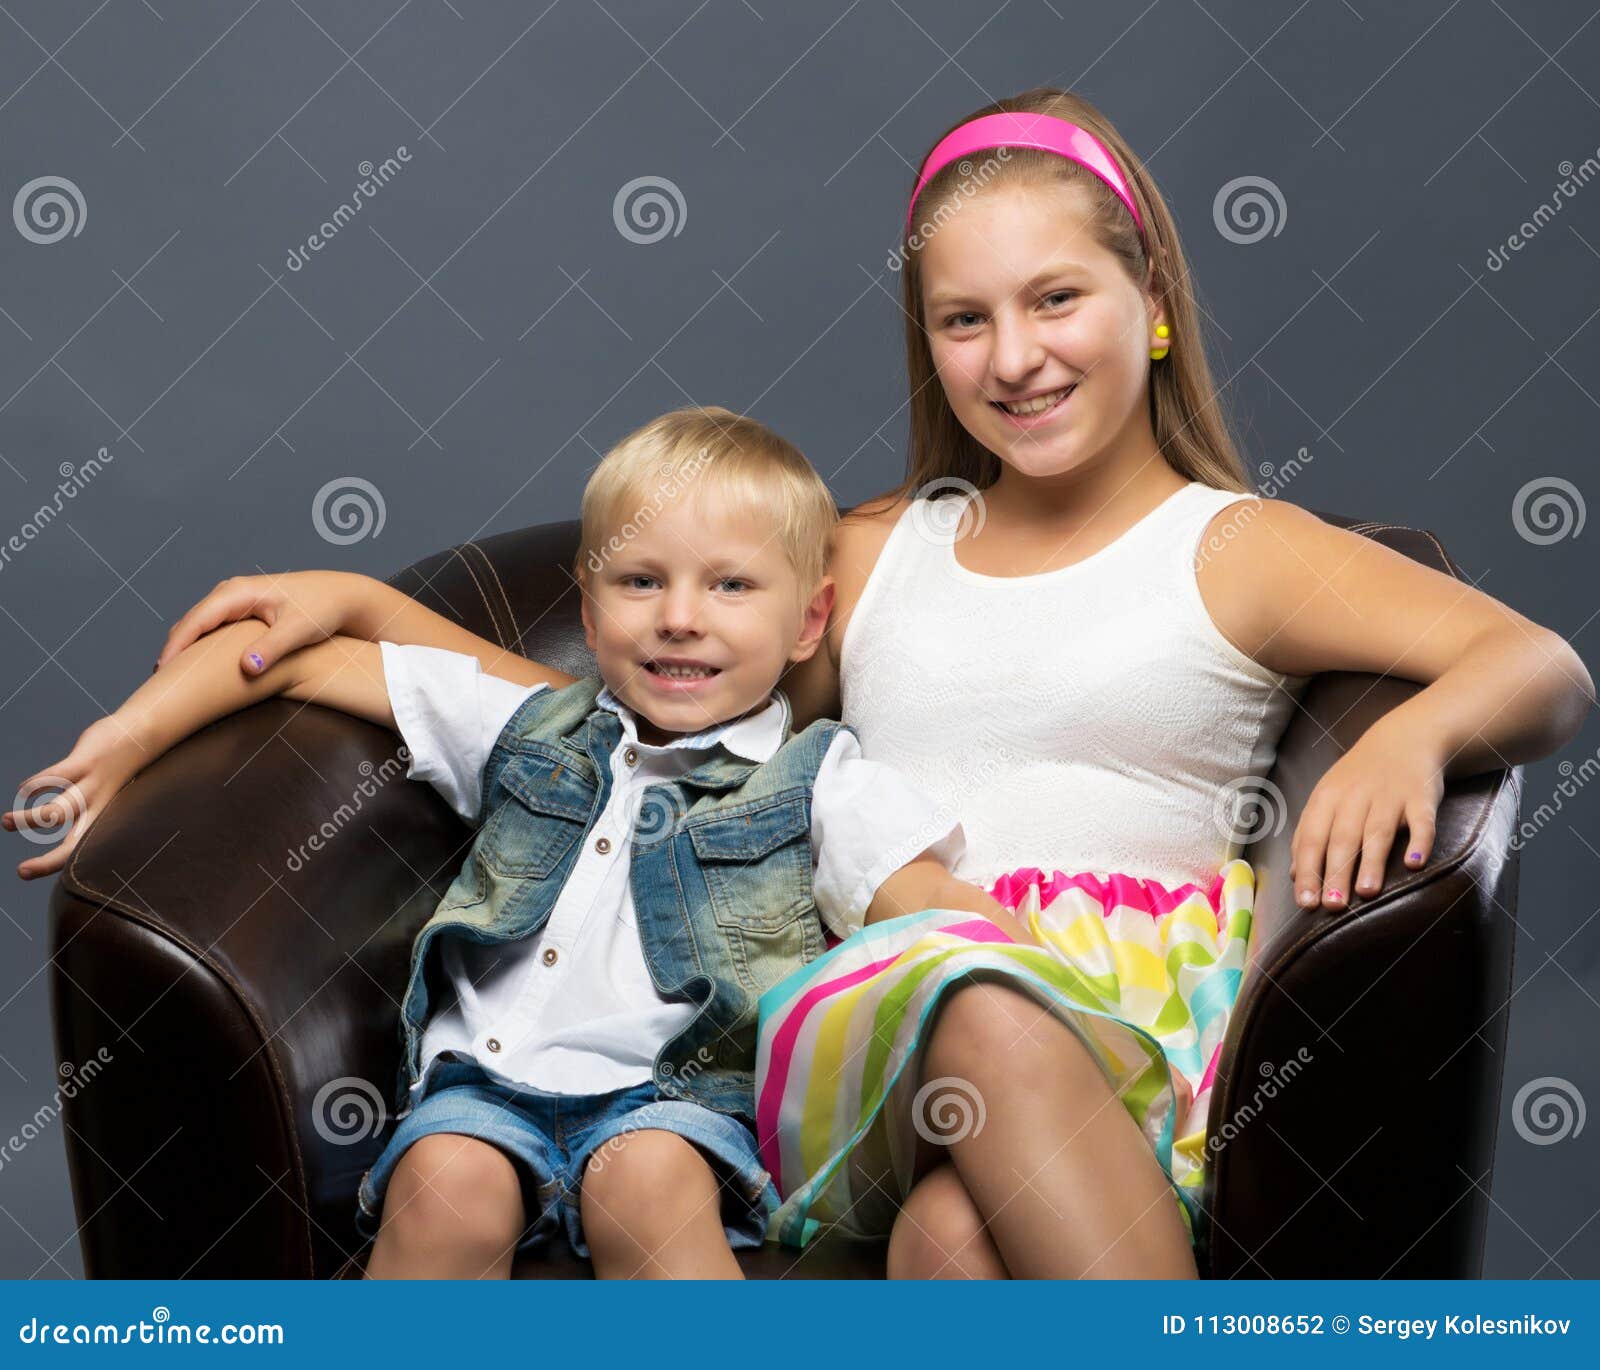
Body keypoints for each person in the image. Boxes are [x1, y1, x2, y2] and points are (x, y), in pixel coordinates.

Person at [117, 88, 1591, 1280]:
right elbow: (648, 706)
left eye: (1057, 299)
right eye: (966, 320)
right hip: (894, 1017)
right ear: (930, 341)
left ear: (1148, 298)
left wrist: (1421, 731)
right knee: (974, 1004)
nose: (1016, 357)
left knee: (958, 1242)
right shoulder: (883, 553)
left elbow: (1541, 663)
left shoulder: (1242, 550)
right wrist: (377, 607)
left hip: (1125, 1040)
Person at [6, 407, 1028, 1279]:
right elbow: (289, 661)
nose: (679, 618)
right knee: (446, 1187)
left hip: (675, 1102)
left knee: (648, 1183)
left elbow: (926, 901)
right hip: (479, 1085)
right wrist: (120, 745)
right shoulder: (525, 726)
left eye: (729, 586)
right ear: (588, 608)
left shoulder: (817, 781)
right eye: (638, 582)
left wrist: (1062, 993)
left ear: (809, 622)